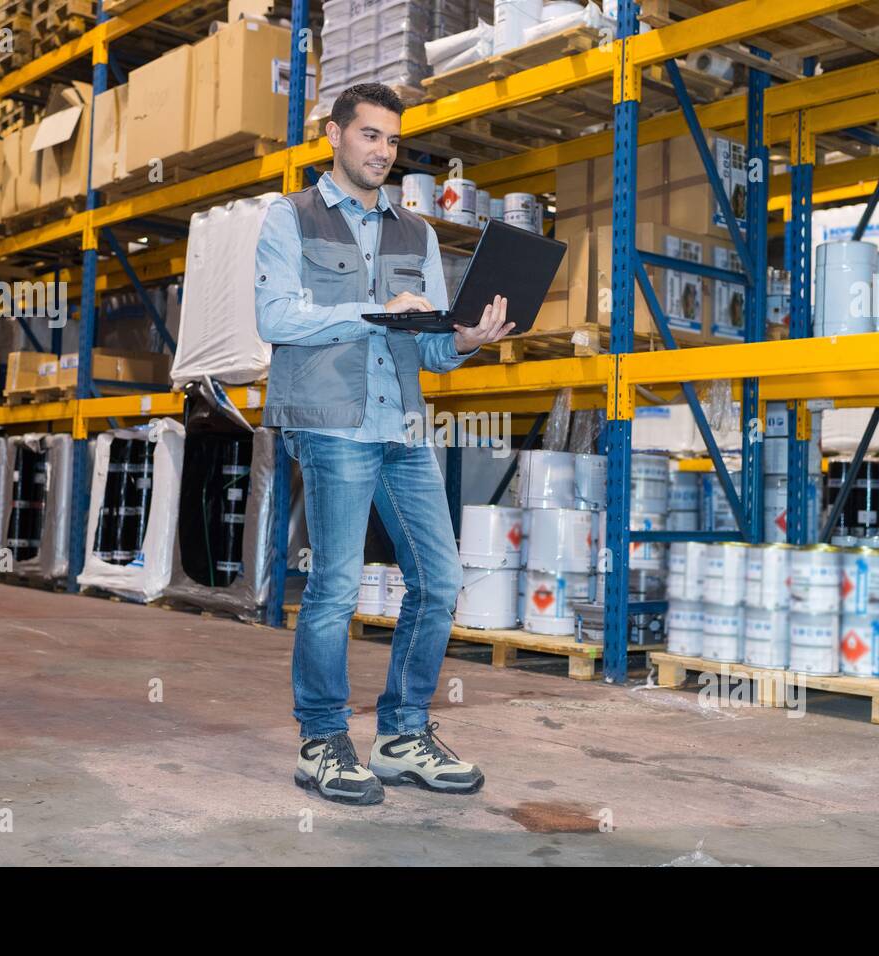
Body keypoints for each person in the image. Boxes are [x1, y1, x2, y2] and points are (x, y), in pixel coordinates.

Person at [254, 82, 514, 806]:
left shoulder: (418, 234)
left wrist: (463, 339)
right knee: (335, 588)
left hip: (401, 422)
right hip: (332, 422)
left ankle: (401, 736)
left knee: (440, 580)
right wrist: (372, 312)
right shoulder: (290, 217)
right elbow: (275, 316)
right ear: (333, 136)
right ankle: (322, 741)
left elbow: (427, 349)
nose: (383, 151)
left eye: (392, 140)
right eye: (370, 135)